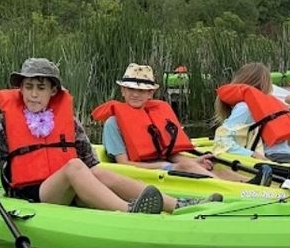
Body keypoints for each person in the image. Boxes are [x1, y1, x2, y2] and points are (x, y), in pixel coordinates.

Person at [0, 58, 172, 214]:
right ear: (21, 89)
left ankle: (174, 203)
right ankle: (128, 210)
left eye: (41, 88)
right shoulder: (3, 122)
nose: (33, 94)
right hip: (31, 194)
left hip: (67, 188)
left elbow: (91, 162)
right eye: (29, 87)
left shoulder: (68, 122)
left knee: (97, 171)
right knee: (75, 166)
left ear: (53, 91)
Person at [92, 63, 248, 182]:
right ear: (123, 91)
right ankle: (228, 187)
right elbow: (123, 164)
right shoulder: (113, 123)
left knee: (212, 166)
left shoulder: (155, 115)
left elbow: (170, 153)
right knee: (190, 167)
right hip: (142, 174)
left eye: (141, 90)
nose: (135, 94)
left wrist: (193, 161)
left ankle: (251, 185)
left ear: (150, 93)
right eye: (130, 89)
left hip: (164, 168)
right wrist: (169, 167)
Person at [214, 62, 290, 183]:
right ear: (266, 84)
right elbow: (222, 140)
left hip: (275, 158)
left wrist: (252, 155)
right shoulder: (259, 106)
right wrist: (252, 155)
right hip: (284, 156)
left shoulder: (247, 107)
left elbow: (221, 141)